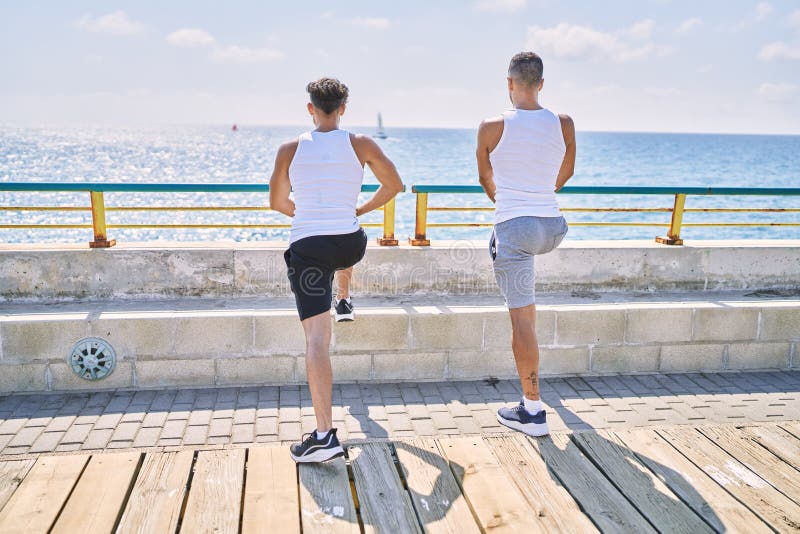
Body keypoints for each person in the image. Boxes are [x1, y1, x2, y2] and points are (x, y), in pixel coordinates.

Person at [270, 77, 403, 462]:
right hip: (349, 243)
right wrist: (358, 210)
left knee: (317, 339)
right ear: (343, 108)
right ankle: (343, 297)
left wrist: (308, 214)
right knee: (342, 252)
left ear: (310, 109)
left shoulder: (290, 149)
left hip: (309, 249)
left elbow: (277, 202)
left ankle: (324, 436)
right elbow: (394, 185)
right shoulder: (361, 144)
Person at [476, 52, 576, 437]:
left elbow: (486, 179)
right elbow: (567, 171)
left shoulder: (491, 126)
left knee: (521, 322)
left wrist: (509, 204)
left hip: (516, 231)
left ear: (510, 83)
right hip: (552, 226)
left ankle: (532, 411)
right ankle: (530, 403)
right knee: (527, 315)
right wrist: (541, 193)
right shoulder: (563, 123)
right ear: (541, 83)